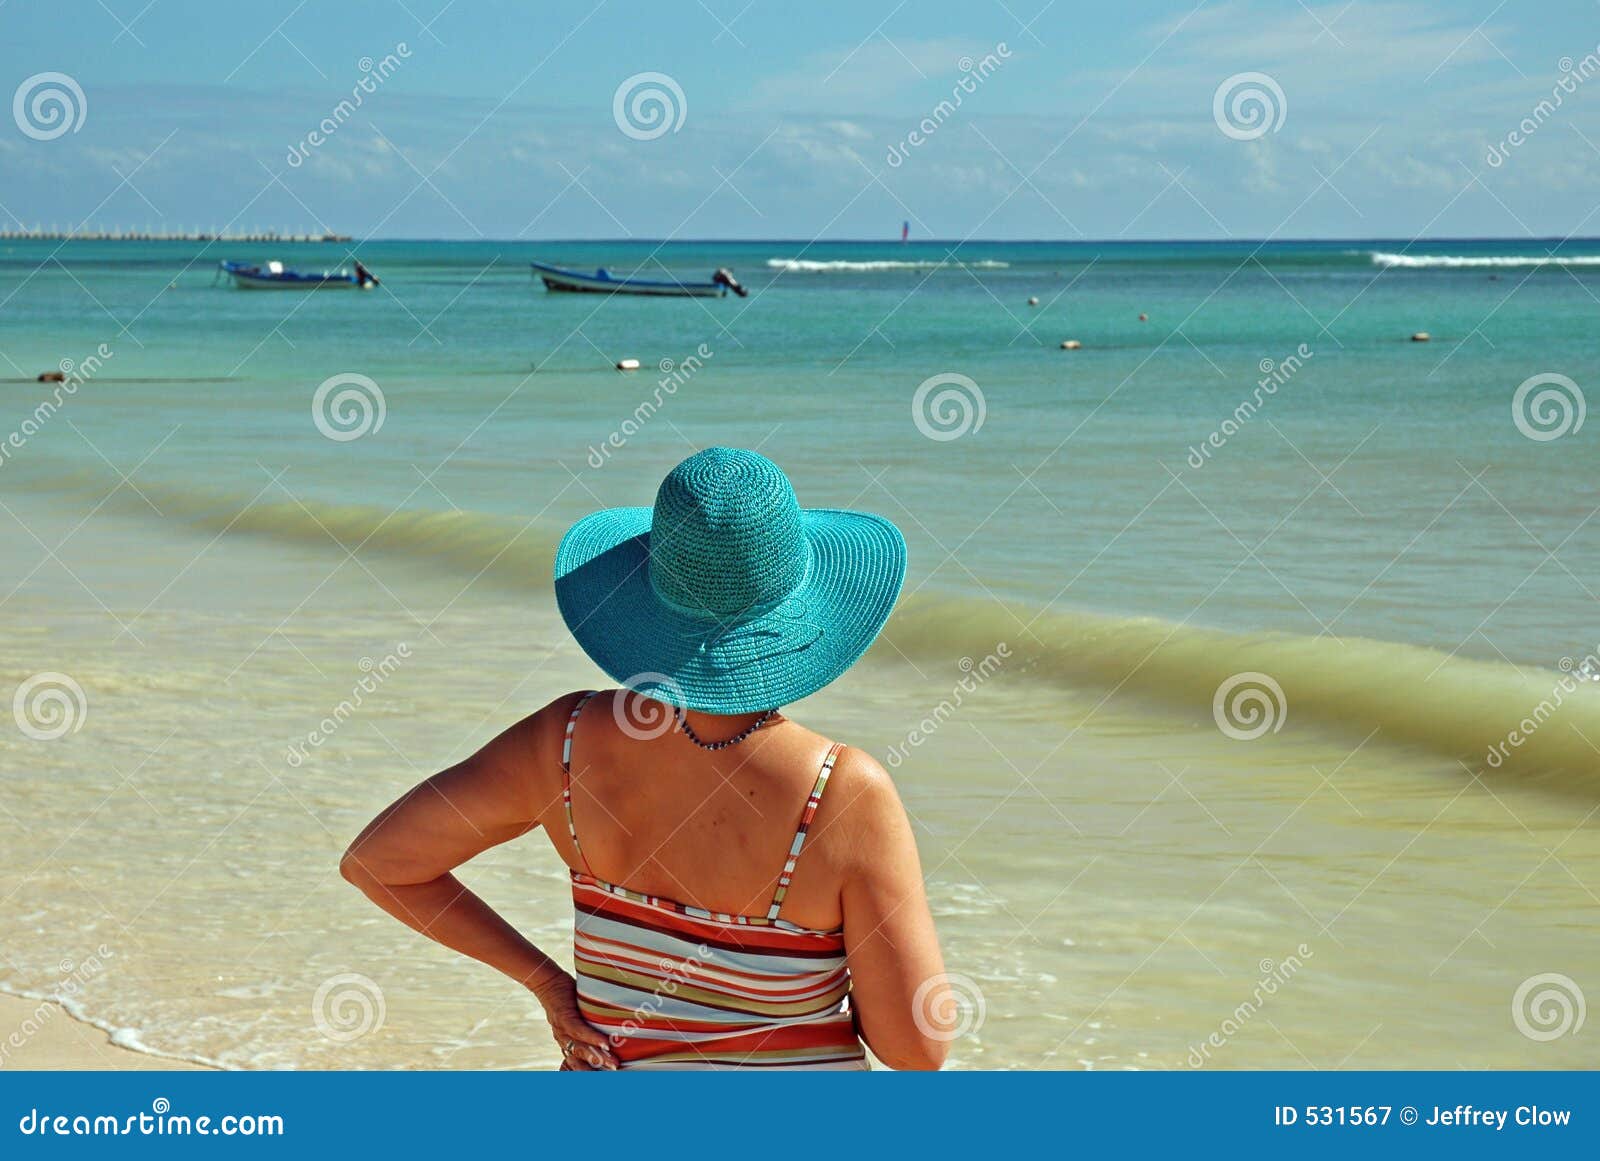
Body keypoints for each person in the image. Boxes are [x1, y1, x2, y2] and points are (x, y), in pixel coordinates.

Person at [342, 447, 951, 1069]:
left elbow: (379, 864)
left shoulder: (563, 743)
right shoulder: (840, 792)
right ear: (804, 609)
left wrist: (549, 986)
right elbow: (917, 1050)